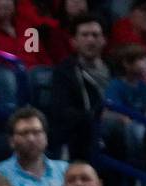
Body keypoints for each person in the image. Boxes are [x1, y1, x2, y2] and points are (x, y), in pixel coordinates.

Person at [47, 13, 111, 162]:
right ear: (74, 41)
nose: (90, 40)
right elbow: (61, 112)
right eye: (85, 35)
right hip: (80, 138)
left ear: (103, 41)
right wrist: (96, 116)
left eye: (95, 35)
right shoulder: (64, 72)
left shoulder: (114, 68)